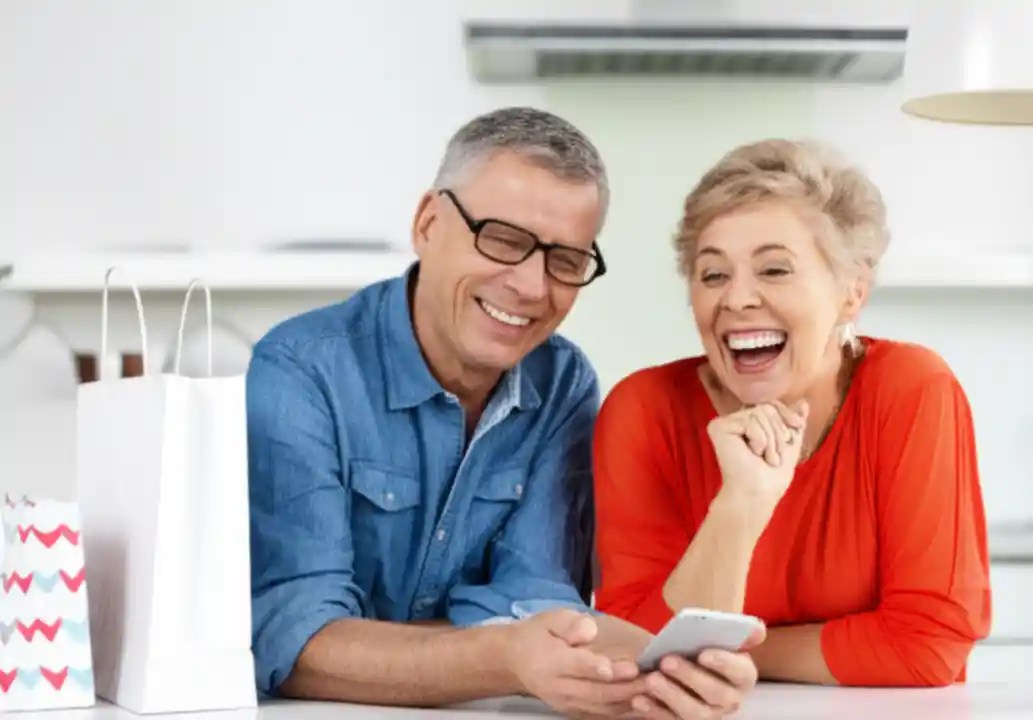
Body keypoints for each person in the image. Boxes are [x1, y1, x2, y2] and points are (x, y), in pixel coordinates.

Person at [246, 107, 759, 718]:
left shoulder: (562, 382)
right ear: (428, 224)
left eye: (566, 260)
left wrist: (669, 672)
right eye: (504, 240)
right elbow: (293, 641)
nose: (532, 286)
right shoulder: (301, 370)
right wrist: (504, 658)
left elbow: (539, 606)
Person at [592, 139, 992, 687]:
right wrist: (742, 501)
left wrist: (729, 653)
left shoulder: (910, 390)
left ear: (851, 292)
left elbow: (928, 643)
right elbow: (632, 642)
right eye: (713, 275)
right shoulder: (643, 413)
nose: (737, 299)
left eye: (774, 270)